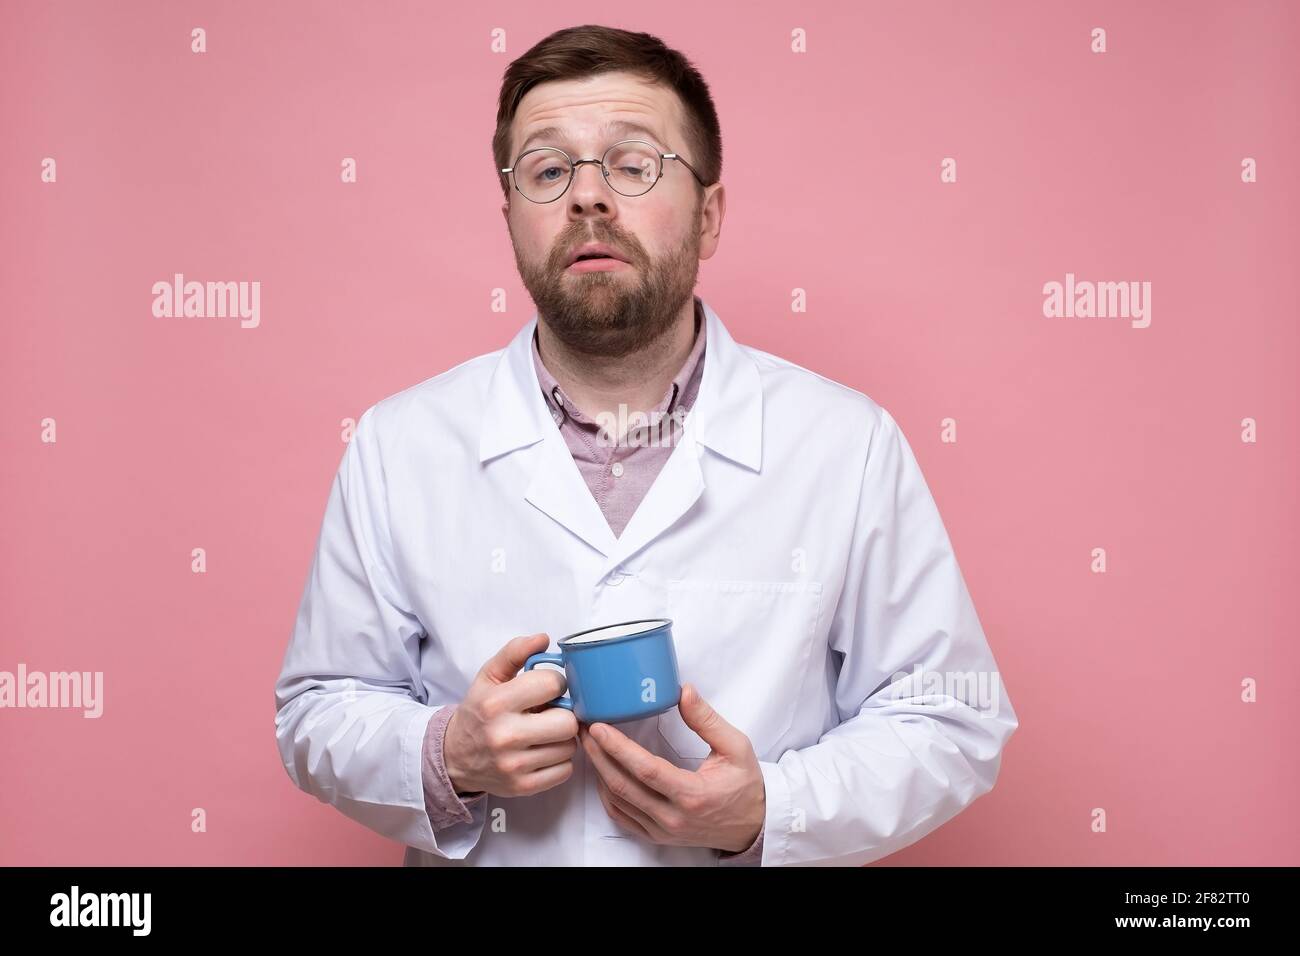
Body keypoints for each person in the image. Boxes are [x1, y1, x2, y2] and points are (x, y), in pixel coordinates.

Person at [273, 24, 1018, 867]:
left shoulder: (846, 445)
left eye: (633, 165)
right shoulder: (398, 445)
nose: (588, 198)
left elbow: (951, 717)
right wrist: (447, 756)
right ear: (511, 217)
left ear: (708, 215)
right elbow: (317, 706)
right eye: (549, 170)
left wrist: (771, 810)